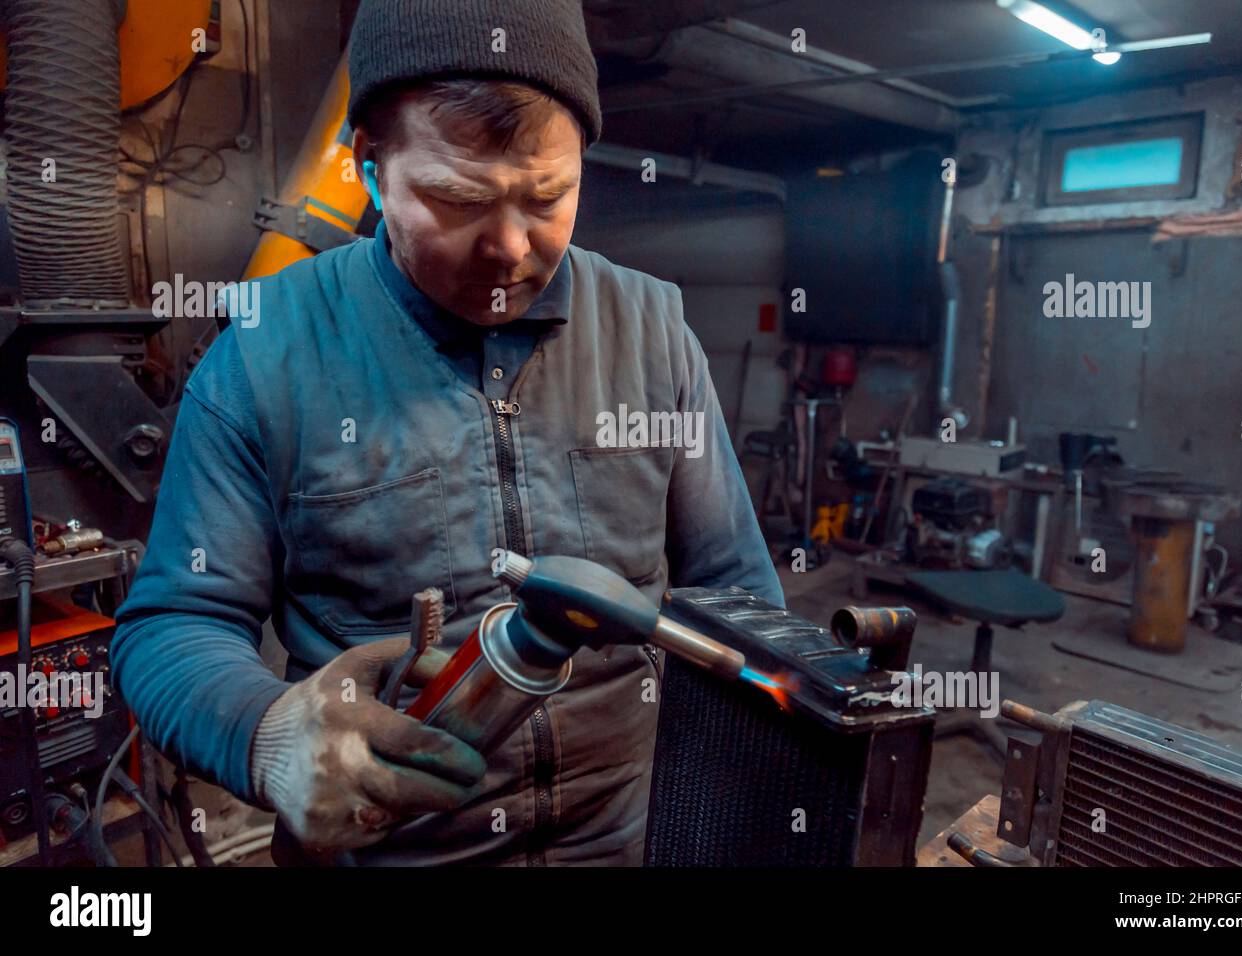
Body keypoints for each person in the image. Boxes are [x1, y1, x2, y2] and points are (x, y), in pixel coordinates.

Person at [112, 0, 783, 866]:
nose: (509, 248)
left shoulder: (652, 330)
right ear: (369, 170)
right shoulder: (264, 351)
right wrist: (268, 734)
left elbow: (735, 590)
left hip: (624, 842)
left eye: (549, 196)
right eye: (457, 199)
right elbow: (172, 622)